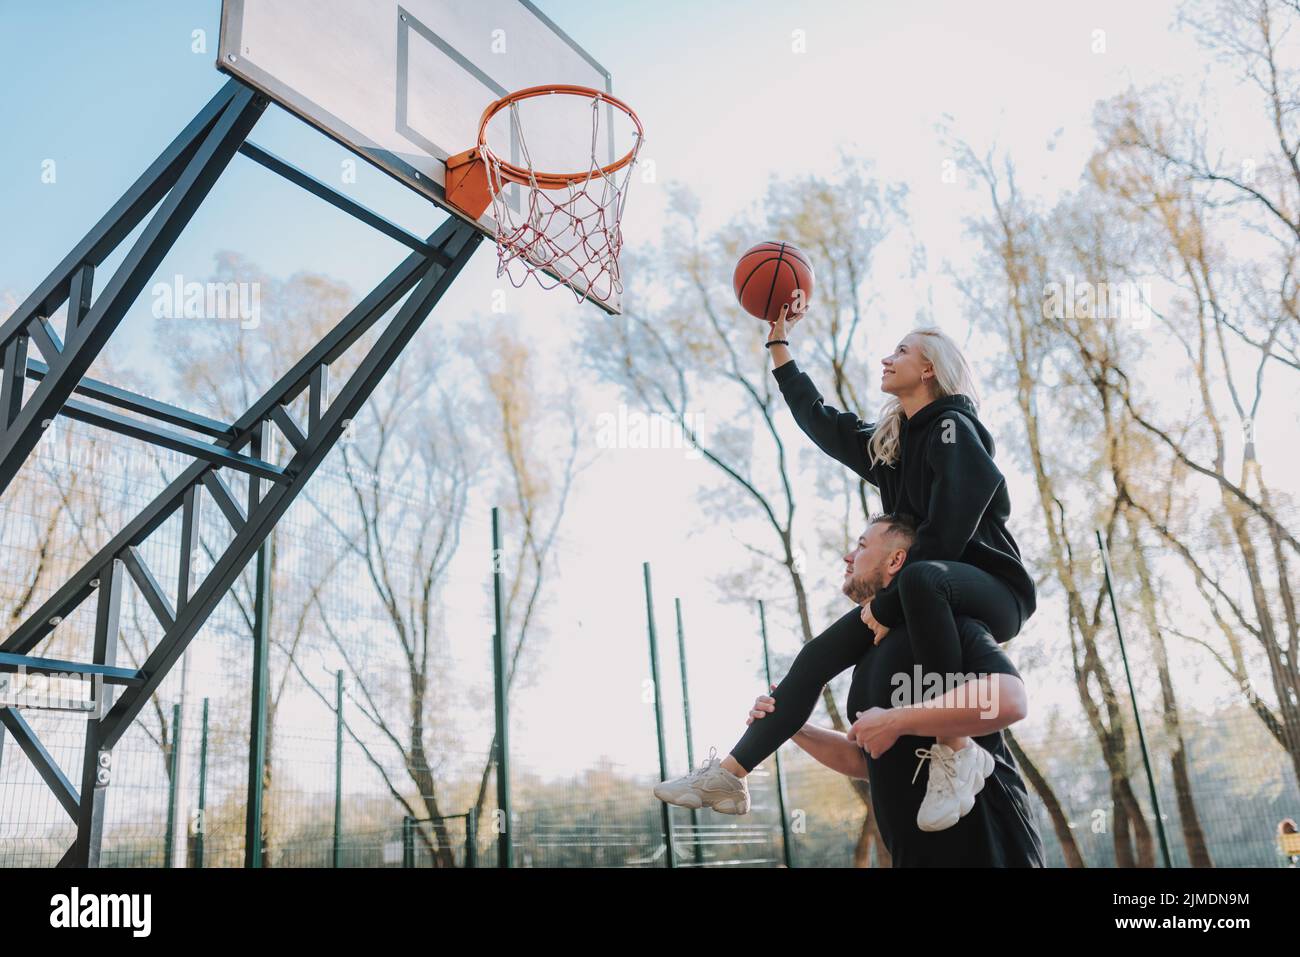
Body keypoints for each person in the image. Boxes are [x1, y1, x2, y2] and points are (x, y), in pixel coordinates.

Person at [653, 309, 1036, 829]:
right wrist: (779, 349)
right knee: (815, 656)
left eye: (901, 351)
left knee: (923, 576)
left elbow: (950, 529)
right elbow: (821, 421)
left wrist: (886, 603)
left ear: (929, 368)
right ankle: (730, 772)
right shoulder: (892, 445)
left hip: (990, 589)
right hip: (922, 591)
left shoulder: (951, 427)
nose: (887, 357)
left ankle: (957, 749)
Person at [657, 517, 1044, 864]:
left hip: (990, 848)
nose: (847, 556)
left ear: (895, 561)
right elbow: (867, 761)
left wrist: (895, 720)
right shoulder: (866, 658)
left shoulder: (954, 625)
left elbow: (1009, 700)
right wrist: (795, 727)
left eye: (861, 546)